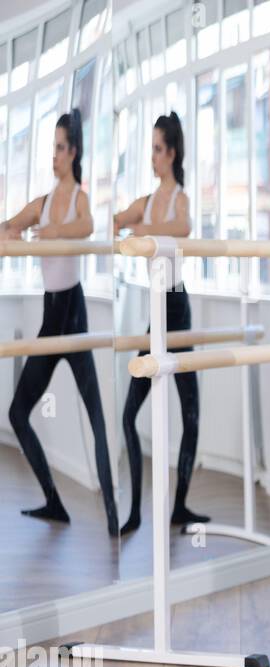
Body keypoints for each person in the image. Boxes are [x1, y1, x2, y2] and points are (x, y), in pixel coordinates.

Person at [3, 109, 119, 535]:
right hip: (52, 321)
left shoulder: (77, 199)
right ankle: (54, 501)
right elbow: (10, 225)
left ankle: (112, 518)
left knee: (97, 420)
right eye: (51, 148)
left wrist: (49, 233)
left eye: (58, 148)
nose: (53, 156)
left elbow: (87, 226)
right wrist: (10, 233)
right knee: (18, 413)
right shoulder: (44, 202)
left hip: (76, 316)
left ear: (73, 152)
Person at [114, 111, 207, 532]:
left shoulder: (178, 199)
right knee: (128, 416)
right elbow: (114, 222)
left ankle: (179, 507)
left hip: (177, 308)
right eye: (150, 149)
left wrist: (140, 230)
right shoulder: (147, 201)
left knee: (191, 415)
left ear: (171, 153)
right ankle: (134, 510)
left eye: (157, 149)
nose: (152, 157)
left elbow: (182, 226)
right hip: (155, 313)